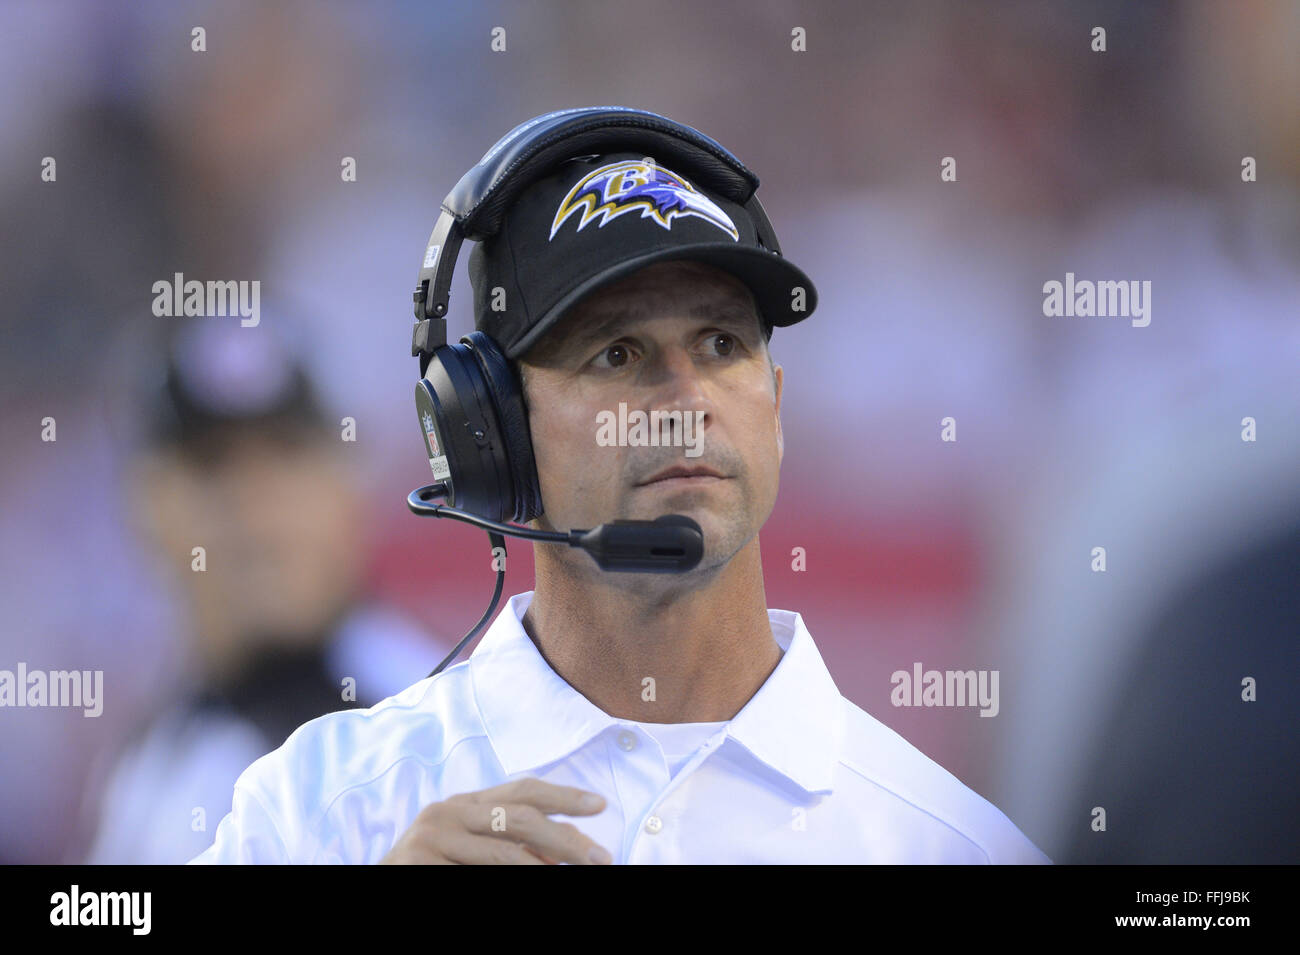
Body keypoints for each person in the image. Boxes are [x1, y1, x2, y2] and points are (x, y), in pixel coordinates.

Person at [192, 128, 1050, 864]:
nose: (688, 400)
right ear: (493, 434)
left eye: (721, 342)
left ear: (776, 409)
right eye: (618, 354)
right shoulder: (313, 811)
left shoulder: (950, 843)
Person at [80, 322, 437, 864]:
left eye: (286, 454)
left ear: (347, 481)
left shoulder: (427, 722)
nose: (255, 506)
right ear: (148, 504)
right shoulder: (149, 760)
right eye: (213, 466)